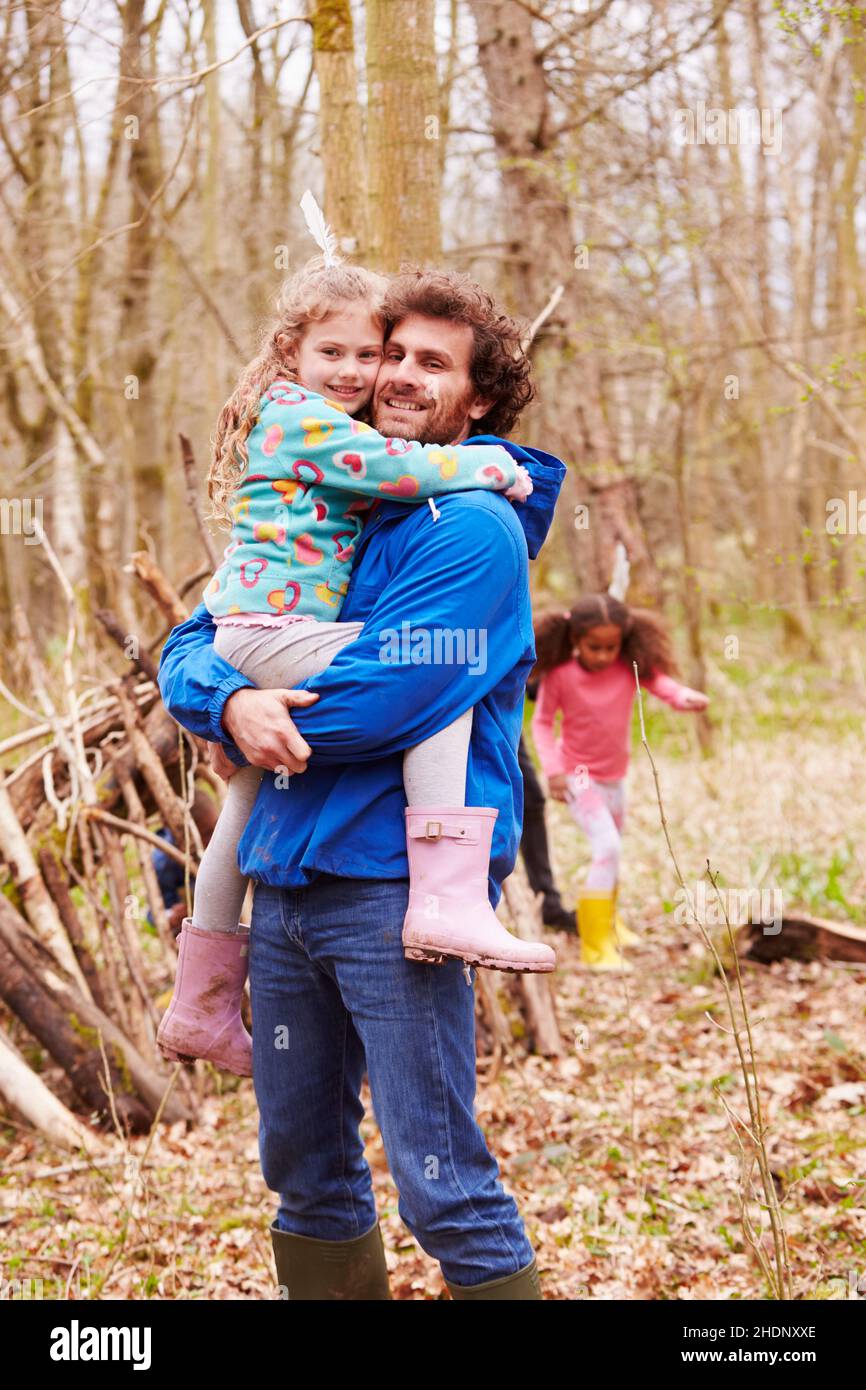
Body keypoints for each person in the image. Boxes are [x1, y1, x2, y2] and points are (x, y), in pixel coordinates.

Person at [158, 267, 566, 1300]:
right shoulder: (337, 500)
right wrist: (222, 701)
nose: (396, 374)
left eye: (432, 363)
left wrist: (247, 720)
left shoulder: (467, 525)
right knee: (303, 1175)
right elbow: (197, 642)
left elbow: (378, 705)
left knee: (442, 1184)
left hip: (391, 892)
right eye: (391, 353)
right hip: (285, 884)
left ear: (478, 401)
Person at [531, 593, 709, 972]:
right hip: (579, 777)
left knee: (615, 849)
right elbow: (543, 723)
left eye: (611, 647)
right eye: (594, 647)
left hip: (616, 778)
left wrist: (684, 697)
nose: (602, 655)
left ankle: (611, 923)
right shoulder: (561, 675)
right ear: (575, 640)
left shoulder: (629, 667)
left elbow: (662, 684)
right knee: (606, 847)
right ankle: (594, 946)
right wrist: (554, 772)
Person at [517, 680, 574, 932]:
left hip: (500, 717)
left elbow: (535, 686)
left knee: (530, 800)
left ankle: (547, 902)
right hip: (452, 710)